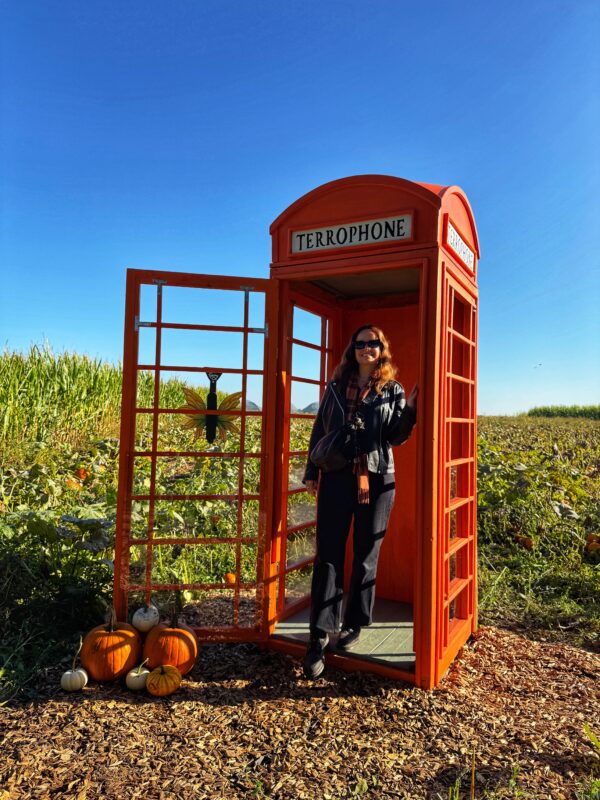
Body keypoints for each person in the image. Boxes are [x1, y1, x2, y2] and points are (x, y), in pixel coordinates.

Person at [302, 324, 418, 679]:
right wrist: (311, 470)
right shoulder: (336, 386)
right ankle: (319, 634)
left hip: (377, 480)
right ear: (352, 350)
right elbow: (321, 428)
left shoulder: (392, 389)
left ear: (382, 349)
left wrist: (410, 411)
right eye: (361, 343)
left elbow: (394, 437)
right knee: (328, 556)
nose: (367, 348)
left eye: (373, 343)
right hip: (337, 477)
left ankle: (354, 623)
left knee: (366, 555)